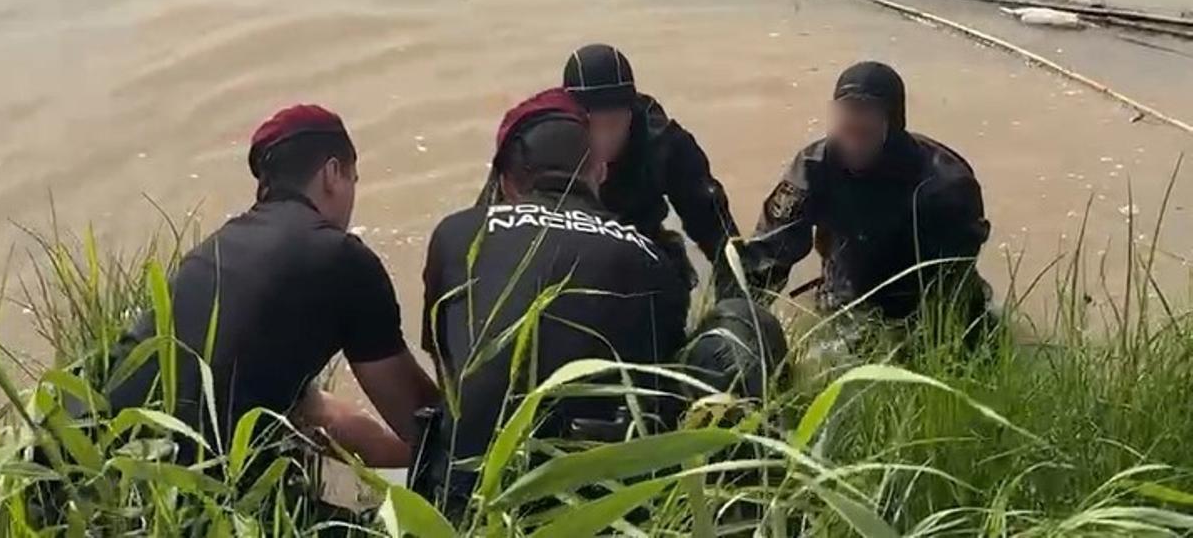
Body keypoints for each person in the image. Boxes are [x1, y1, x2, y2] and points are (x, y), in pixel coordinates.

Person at [109, 105, 438, 469]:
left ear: (266, 185)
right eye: (352, 180)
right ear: (332, 174)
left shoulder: (213, 252)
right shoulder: (342, 257)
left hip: (106, 460)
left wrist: (401, 457)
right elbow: (423, 421)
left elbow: (316, 413)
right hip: (197, 489)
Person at [415, 89, 689, 505]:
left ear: (506, 182)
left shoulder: (454, 234)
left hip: (463, 500)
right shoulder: (650, 256)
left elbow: (447, 363)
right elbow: (661, 384)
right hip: (597, 506)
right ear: (599, 169)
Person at [738, 61, 991, 329]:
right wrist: (737, 319)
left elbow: (954, 280)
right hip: (845, 299)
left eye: (865, 133)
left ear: (893, 128)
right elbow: (765, 259)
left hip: (924, 302)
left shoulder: (945, 185)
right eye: (846, 130)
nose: (853, 146)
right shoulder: (814, 168)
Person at [562, 43, 739, 292]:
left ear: (630, 113)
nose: (603, 138)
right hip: (568, 252)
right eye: (592, 125)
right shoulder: (544, 142)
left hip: (642, 249)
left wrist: (737, 302)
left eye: (613, 123)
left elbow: (718, 236)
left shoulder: (663, 143)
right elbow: (497, 225)